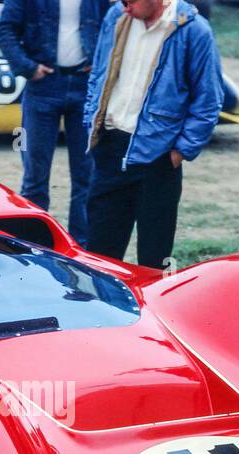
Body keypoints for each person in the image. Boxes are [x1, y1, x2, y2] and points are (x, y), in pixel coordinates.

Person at [82, 0, 221, 269]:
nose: (123, 7)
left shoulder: (194, 31)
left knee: (153, 259)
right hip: (110, 148)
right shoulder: (116, 17)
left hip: (158, 157)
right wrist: (91, 120)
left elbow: (208, 101)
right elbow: (97, 74)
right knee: (99, 257)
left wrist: (179, 152)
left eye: (128, 1)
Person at [0, 0, 103, 247]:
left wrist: (100, 62)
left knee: (86, 176)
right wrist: (27, 67)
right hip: (42, 85)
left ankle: (82, 249)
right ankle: (34, 246)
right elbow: (5, 28)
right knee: (35, 176)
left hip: (85, 83)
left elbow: (114, 26)